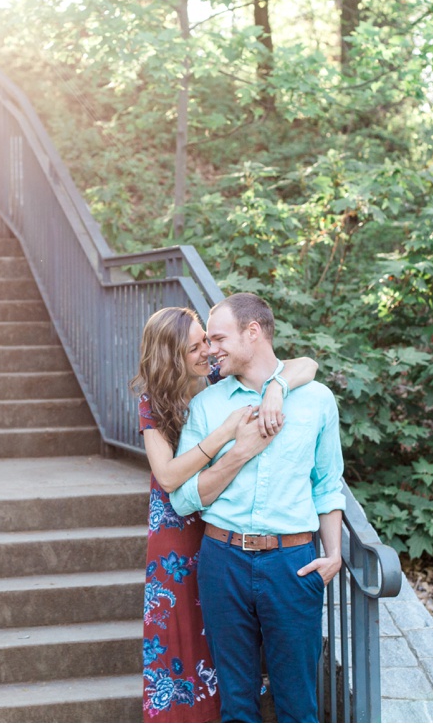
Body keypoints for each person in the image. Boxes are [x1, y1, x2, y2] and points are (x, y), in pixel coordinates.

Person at [132, 306, 319, 723]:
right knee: (183, 631)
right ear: (170, 355)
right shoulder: (155, 404)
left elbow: (308, 364)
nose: (208, 352)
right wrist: (228, 435)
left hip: (229, 525)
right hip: (180, 529)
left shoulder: (218, 380)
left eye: (209, 341)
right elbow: (167, 476)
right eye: (195, 346)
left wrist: (276, 388)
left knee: (225, 641)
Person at [169, 293, 346, 723]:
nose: (210, 349)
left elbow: (327, 484)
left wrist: (334, 554)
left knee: (298, 705)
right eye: (208, 341)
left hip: (294, 564)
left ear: (253, 332)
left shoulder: (318, 400)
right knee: (236, 705)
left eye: (218, 338)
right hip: (222, 560)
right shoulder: (207, 406)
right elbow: (184, 496)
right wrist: (239, 453)